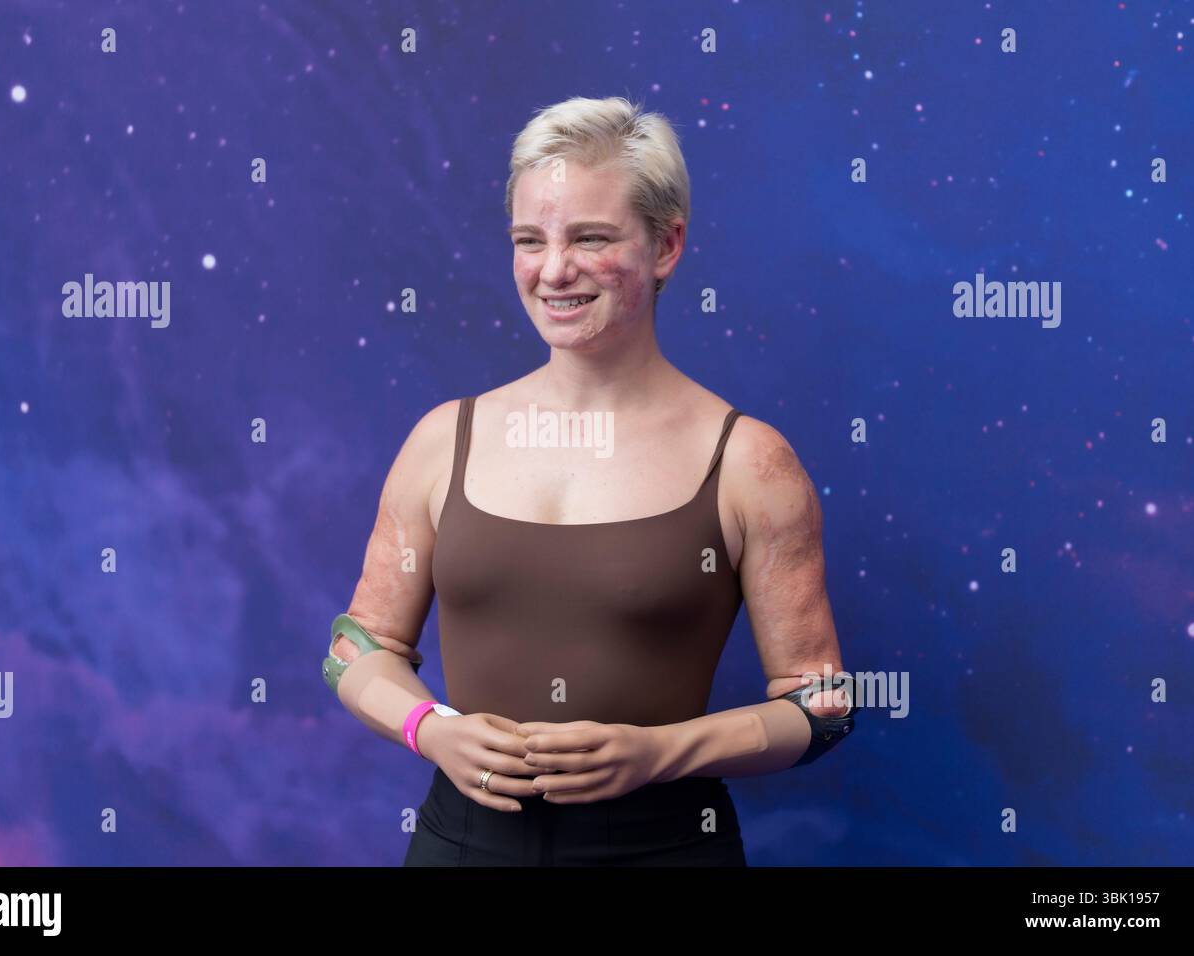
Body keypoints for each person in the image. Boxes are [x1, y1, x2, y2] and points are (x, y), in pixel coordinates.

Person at [325, 96, 857, 866]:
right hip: (461, 846)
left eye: (591, 238)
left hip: (665, 847)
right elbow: (356, 648)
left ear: (667, 245)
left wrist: (660, 753)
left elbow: (823, 705)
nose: (553, 270)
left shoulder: (749, 461)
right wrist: (431, 729)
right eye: (528, 240)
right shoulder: (443, 440)